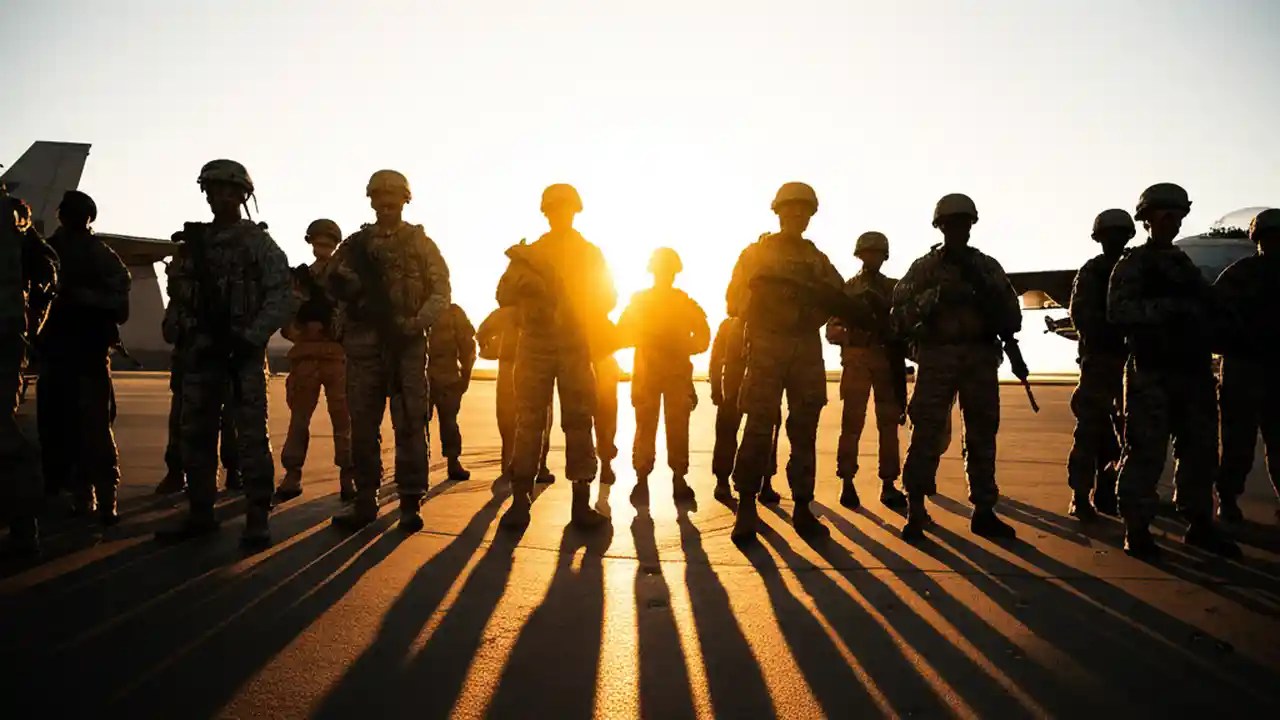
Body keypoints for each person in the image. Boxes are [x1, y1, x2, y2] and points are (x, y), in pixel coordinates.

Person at [156, 159, 293, 549]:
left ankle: (256, 516)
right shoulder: (192, 246)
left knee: (251, 437)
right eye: (215, 189)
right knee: (194, 436)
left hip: (242, 357)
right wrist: (179, 328)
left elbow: (281, 296)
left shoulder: (258, 244)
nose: (222, 197)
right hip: (200, 356)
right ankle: (200, 511)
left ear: (243, 195)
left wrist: (250, 337)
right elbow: (180, 298)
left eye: (230, 190)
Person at [1107, 183, 1239, 559]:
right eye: (1165, 215)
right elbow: (1118, 312)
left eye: (1177, 216)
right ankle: (1136, 528)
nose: (1172, 223)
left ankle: (1199, 523)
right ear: (1147, 219)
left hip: (1192, 370)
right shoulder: (1133, 264)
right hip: (1152, 371)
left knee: (1199, 452)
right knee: (1145, 452)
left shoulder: (1183, 265)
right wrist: (1171, 309)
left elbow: (1208, 306)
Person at [893, 193, 1022, 542]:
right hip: (938, 358)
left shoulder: (986, 267)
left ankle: (983, 510)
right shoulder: (924, 269)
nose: (958, 229)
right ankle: (915, 508)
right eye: (951, 224)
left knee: (982, 435)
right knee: (926, 433)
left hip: (979, 358)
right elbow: (899, 315)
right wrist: (935, 297)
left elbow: (1012, 314)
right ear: (940, 226)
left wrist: (986, 304)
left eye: (964, 223)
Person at [328, 170, 451, 533]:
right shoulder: (355, 245)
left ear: (404, 200)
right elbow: (331, 282)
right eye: (379, 196)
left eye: (393, 196)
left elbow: (441, 291)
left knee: (411, 422)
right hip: (363, 348)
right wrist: (352, 299)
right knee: (363, 426)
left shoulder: (419, 243)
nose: (386, 202)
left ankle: (411, 501)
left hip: (407, 347)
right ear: (370, 199)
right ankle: (365, 500)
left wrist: (415, 323)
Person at [725, 182, 843, 543]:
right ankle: (746, 504)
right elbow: (734, 300)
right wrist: (768, 307)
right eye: (790, 209)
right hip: (766, 345)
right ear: (777, 212)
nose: (797, 216)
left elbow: (838, 297)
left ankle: (803, 506)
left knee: (804, 429)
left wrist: (810, 313)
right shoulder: (757, 254)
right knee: (759, 424)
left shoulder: (816, 259)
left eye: (803, 210)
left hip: (805, 348)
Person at [495, 183, 614, 530]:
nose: (560, 214)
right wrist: (531, 290)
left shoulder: (586, 253)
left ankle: (574, 505)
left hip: (571, 344)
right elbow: (503, 294)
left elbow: (606, 297)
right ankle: (522, 501)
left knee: (575, 422)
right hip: (540, 343)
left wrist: (574, 301)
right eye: (556, 209)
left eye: (563, 208)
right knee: (531, 422)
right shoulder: (532, 255)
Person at [36, 191, 131, 525]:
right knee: (60, 429)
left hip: (87, 353)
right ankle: (82, 496)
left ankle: (103, 498)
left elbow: (119, 301)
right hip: (58, 353)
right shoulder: (47, 250)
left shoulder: (99, 255)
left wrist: (82, 297)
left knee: (94, 428)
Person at [616, 247, 710, 506]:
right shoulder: (645, 302)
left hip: (671, 374)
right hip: (652, 374)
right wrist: (647, 339)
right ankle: (648, 479)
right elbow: (622, 333)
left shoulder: (680, 302)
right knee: (652, 426)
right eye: (662, 269)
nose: (664, 274)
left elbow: (702, 337)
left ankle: (669, 479)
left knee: (671, 427)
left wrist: (680, 346)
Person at [826, 231, 907, 510]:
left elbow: (904, 325)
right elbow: (832, 331)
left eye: (878, 253)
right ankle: (847, 481)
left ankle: (888, 483)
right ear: (860, 255)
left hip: (886, 361)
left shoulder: (895, 289)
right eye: (868, 253)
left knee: (888, 425)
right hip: (857, 360)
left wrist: (890, 331)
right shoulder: (848, 290)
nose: (873, 258)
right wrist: (854, 334)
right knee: (852, 424)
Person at [276, 219, 354, 503]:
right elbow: (286, 320)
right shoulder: (301, 279)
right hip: (306, 356)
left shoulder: (343, 278)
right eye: (317, 242)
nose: (322, 248)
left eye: (327, 243)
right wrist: (300, 329)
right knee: (299, 419)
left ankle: (348, 474)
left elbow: (353, 313)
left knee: (343, 420)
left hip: (336, 355)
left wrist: (335, 328)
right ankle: (292, 473)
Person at [1064, 209, 1134, 520]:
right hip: (1102, 360)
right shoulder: (1092, 272)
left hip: (1133, 361)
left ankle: (1112, 488)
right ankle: (1081, 495)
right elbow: (1082, 316)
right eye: (1110, 234)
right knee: (1090, 429)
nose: (1115, 240)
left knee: (1130, 432)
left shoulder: (1138, 268)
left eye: (1120, 234)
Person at [1213, 208, 1280, 522]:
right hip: (1244, 370)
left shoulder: (1238, 273)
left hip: (1256, 370)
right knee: (1238, 445)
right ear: (1259, 239)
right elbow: (1213, 319)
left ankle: (1228, 501)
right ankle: (1227, 500)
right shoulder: (1239, 275)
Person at [0, 193, 57, 557]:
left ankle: (24, 524)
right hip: (9, 332)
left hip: (3, 336)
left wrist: (30, 320)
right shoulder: (15, 216)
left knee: (2, 429)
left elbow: (46, 273)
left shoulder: (10, 214)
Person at [476, 306, 554, 484]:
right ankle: (539, 467)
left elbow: (481, 332)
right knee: (541, 419)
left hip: (508, 365)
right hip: (535, 366)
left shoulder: (504, 313)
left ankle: (509, 464)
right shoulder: (545, 308)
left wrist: (488, 348)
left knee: (507, 417)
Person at [427, 302, 477, 481]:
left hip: (443, 376)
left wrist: (466, 374)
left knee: (447, 422)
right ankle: (443, 463)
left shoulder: (453, 313)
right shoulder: (450, 312)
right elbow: (468, 346)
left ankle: (452, 461)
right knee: (420, 424)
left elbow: (467, 346)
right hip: (426, 376)